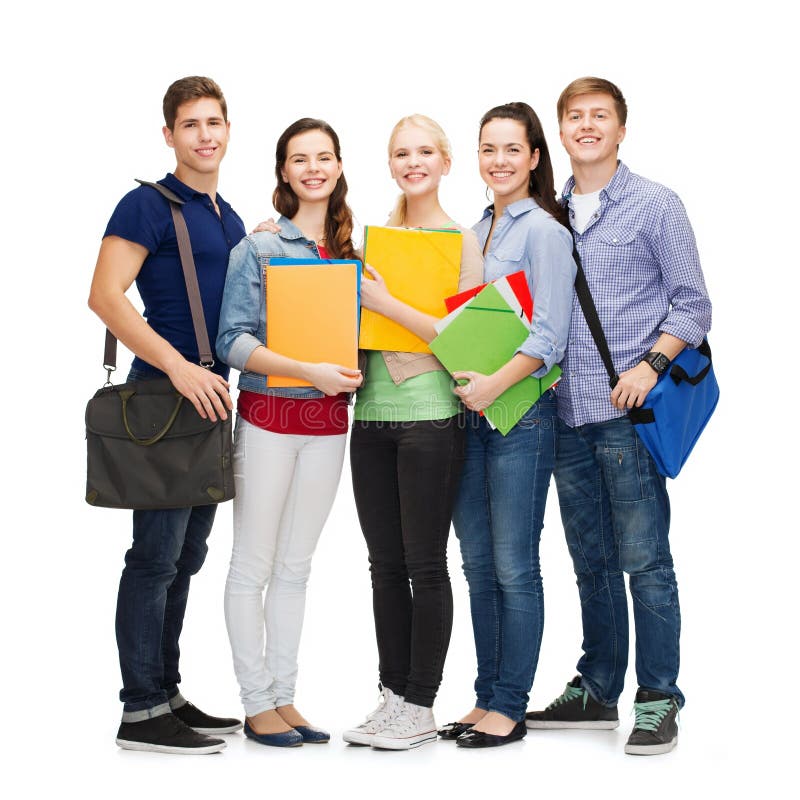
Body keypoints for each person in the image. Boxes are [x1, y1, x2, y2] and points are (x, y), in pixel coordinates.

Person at [524, 77, 711, 756]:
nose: (587, 125)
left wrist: (649, 367)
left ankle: (658, 697)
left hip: (627, 414)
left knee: (646, 559)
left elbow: (693, 305)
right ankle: (598, 688)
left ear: (621, 129)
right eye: (575, 116)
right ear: (560, 132)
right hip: (564, 414)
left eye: (599, 115)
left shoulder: (655, 204)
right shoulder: (545, 212)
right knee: (591, 561)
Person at [88, 76, 245, 755]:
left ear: (228, 130)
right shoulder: (145, 205)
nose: (204, 135)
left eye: (214, 122)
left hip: (211, 403)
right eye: (190, 124)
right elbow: (105, 296)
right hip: (162, 397)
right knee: (153, 558)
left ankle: (167, 692)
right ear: (169, 135)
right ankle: (140, 710)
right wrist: (179, 367)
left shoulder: (228, 216)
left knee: (185, 556)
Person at [215, 118, 363, 748]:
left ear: (339, 166)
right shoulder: (259, 248)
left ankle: (284, 696)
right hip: (268, 420)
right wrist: (308, 372)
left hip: (329, 426)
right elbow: (231, 341)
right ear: (283, 170)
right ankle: (256, 703)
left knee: (296, 566)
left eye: (323, 157)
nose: (313, 169)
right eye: (299, 159)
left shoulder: (354, 254)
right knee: (252, 564)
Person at [341, 115, 483, 750]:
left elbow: (465, 339)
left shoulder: (462, 241)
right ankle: (393, 696)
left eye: (425, 151)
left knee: (425, 563)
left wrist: (387, 304)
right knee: (383, 566)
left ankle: (421, 705)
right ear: (390, 164)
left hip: (430, 415)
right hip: (370, 415)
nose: (413, 162)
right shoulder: (373, 242)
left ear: (446, 162)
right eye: (402, 153)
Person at [444, 102, 575, 749]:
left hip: (521, 416)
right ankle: (486, 695)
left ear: (533, 158)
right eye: (488, 149)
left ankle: (510, 705)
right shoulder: (474, 231)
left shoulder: (544, 231)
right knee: (477, 564)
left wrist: (493, 386)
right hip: (470, 417)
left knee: (514, 564)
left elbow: (551, 335)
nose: (498, 161)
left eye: (511, 149)